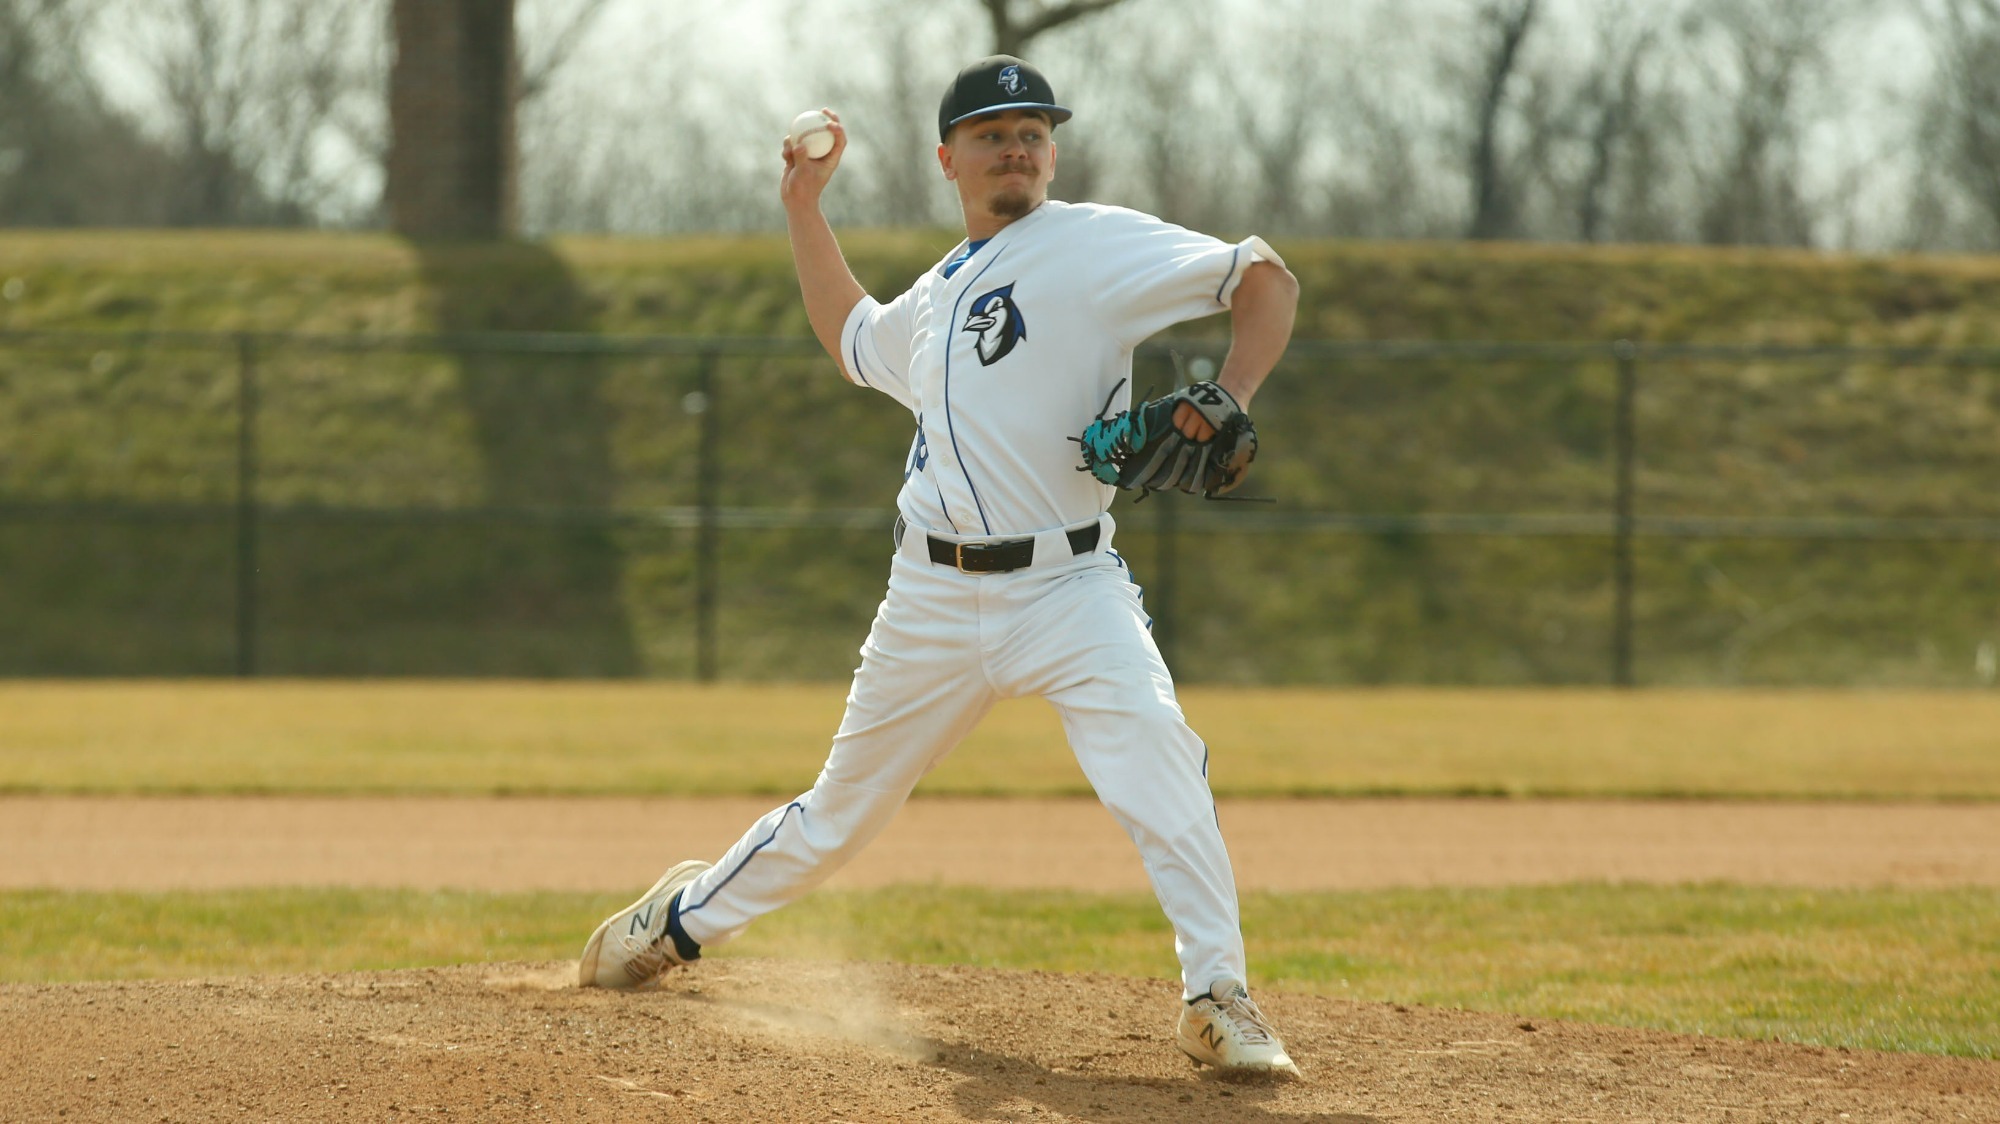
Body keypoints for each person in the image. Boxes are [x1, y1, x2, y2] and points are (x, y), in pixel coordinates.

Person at [579, 54, 1302, 1078]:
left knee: (1157, 754)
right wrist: (801, 207)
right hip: (929, 593)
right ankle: (680, 917)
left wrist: (1229, 389)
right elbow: (849, 335)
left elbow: (1262, 276)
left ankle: (1215, 993)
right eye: (993, 132)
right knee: (837, 817)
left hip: (1068, 584)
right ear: (946, 159)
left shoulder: (1092, 242)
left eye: (1033, 131)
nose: (1018, 146)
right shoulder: (939, 291)